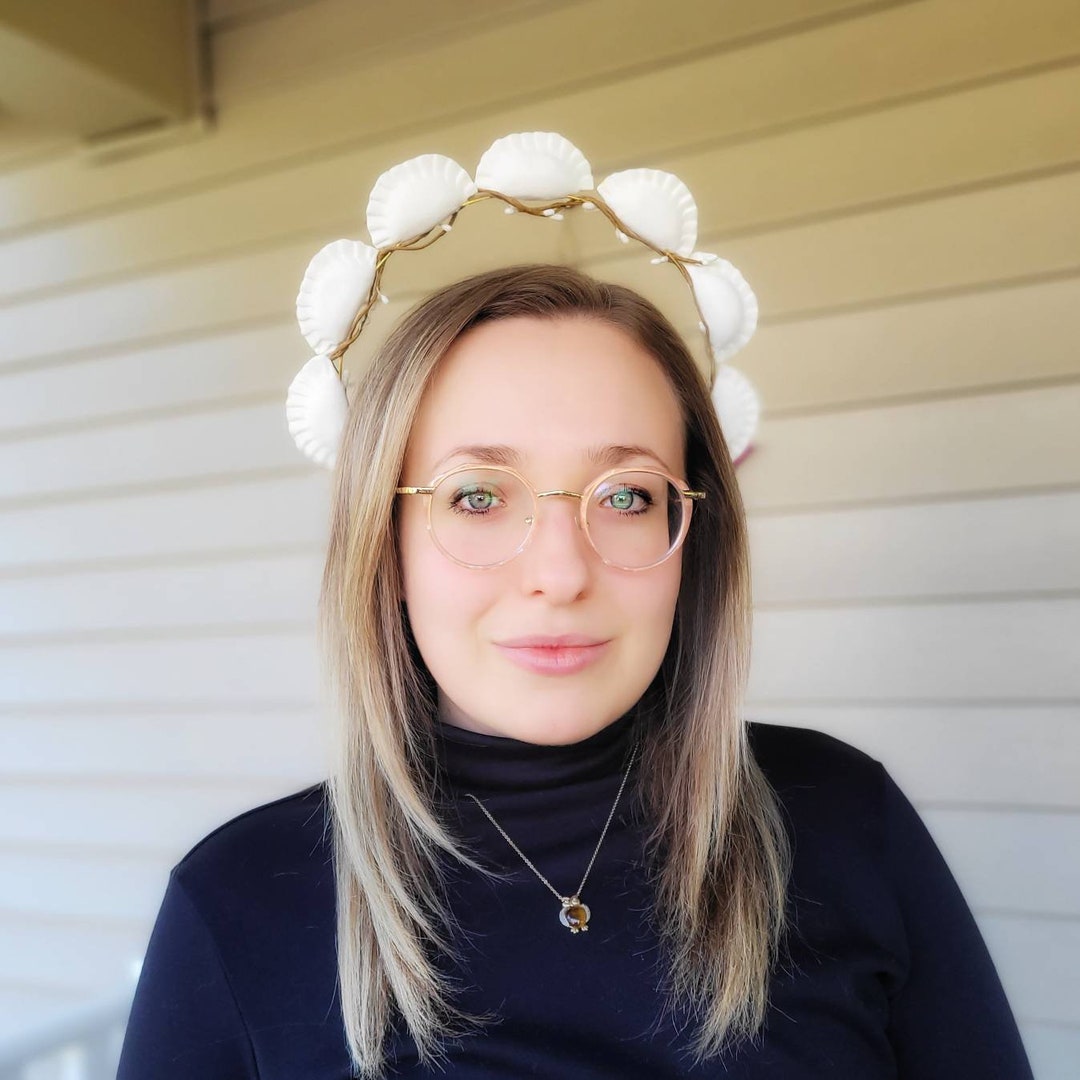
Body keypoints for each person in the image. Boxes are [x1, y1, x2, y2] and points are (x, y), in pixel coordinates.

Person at [116, 263, 1034, 1079]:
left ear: (691, 541)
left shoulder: (841, 820)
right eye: (476, 496)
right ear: (384, 548)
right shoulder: (241, 900)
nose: (560, 572)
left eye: (627, 496)